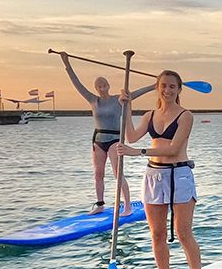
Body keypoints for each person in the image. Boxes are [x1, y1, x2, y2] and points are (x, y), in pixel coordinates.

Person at [117, 70, 204, 269]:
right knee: (157, 234)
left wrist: (139, 153)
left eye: (172, 87)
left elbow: (174, 148)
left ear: (179, 90)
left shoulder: (186, 116)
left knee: (183, 232)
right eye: (163, 86)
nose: (167, 90)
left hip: (179, 175)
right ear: (158, 88)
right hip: (154, 176)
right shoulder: (149, 115)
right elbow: (132, 136)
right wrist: (126, 108)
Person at [59, 51, 153, 215]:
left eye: (104, 85)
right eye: (99, 86)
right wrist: (66, 63)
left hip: (115, 139)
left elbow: (137, 93)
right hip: (98, 140)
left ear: (109, 86)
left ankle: (128, 206)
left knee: (118, 173)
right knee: (98, 173)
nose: (102, 88)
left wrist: (155, 85)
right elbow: (77, 83)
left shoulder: (119, 99)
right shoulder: (92, 100)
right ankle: (100, 204)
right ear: (96, 88)